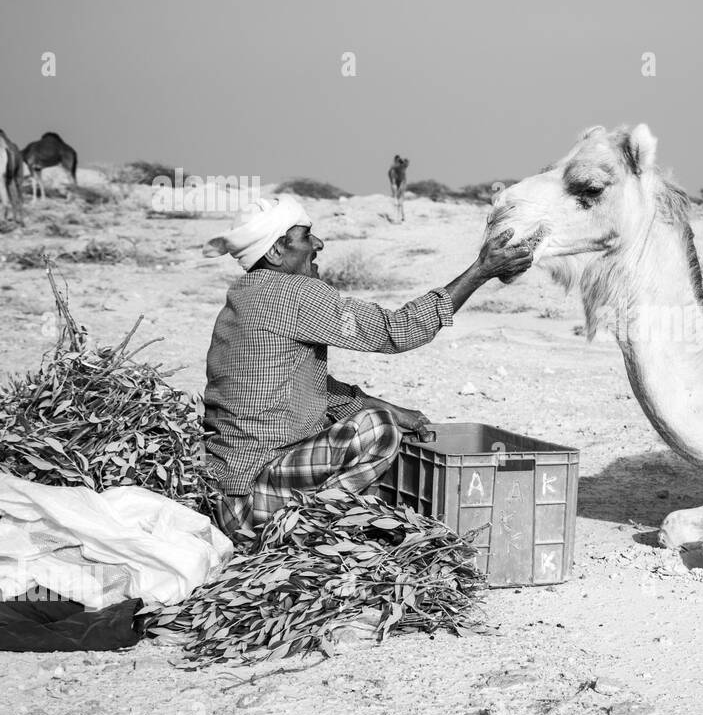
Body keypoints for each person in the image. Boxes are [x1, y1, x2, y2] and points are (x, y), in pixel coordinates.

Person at [201, 195, 532, 538]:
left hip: (224, 497)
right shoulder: (294, 293)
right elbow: (397, 331)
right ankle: (307, 528)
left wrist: (390, 406)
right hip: (257, 495)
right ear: (275, 252)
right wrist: (480, 271)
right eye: (305, 237)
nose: (318, 244)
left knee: (378, 418)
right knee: (377, 429)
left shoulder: (244, 294)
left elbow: (302, 387)